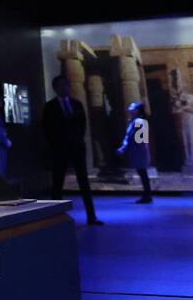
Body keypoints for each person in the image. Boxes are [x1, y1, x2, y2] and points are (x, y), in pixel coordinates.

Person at [43, 74, 104, 225]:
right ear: (56, 88)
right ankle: (55, 219)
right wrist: (57, 146)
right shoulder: (49, 107)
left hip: (77, 148)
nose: (66, 88)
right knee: (57, 184)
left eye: (67, 85)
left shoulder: (77, 104)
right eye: (62, 85)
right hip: (60, 150)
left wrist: (77, 140)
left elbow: (82, 125)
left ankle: (91, 216)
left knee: (84, 183)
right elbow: (48, 129)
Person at [116, 102, 154, 203]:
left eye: (132, 108)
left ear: (137, 110)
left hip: (139, 151)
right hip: (138, 150)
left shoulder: (139, 121)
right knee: (142, 173)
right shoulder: (136, 121)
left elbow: (136, 138)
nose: (129, 109)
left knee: (142, 173)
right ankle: (147, 195)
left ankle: (147, 195)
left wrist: (125, 148)